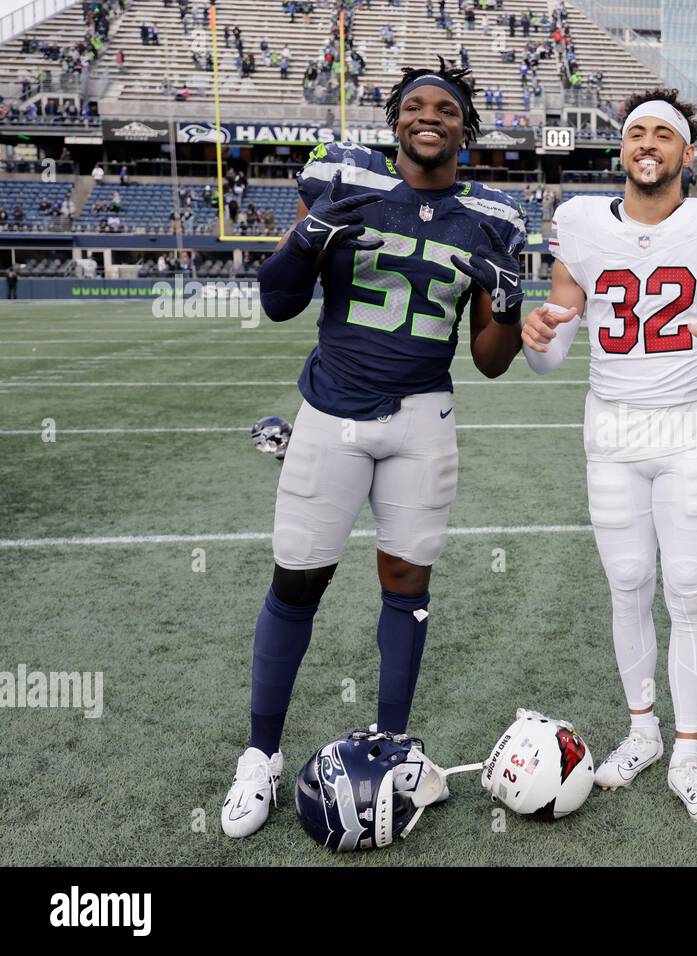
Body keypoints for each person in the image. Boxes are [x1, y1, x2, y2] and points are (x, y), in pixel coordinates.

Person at [220, 59, 528, 839]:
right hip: (330, 411)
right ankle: (260, 755)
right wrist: (312, 231)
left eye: (446, 109)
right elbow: (280, 300)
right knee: (298, 581)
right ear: (395, 122)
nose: (430, 118)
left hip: (423, 416)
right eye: (415, 107)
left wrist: (513, 301)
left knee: (406, 582)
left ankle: (393, 745)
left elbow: (490, 359)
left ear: (465, 126)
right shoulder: (345, 182)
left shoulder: (493, 217)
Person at [520, 89, 697, 828]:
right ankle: (642, 730)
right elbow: (553, 355)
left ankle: (687, 752)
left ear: (687, 154)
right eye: (637, 133)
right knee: (628, 583)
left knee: (687, 590)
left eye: (664, 133)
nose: (648, 143)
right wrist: (539, 337)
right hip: (613, 432)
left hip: (688, 429)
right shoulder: (579, 222)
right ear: (622, 150)